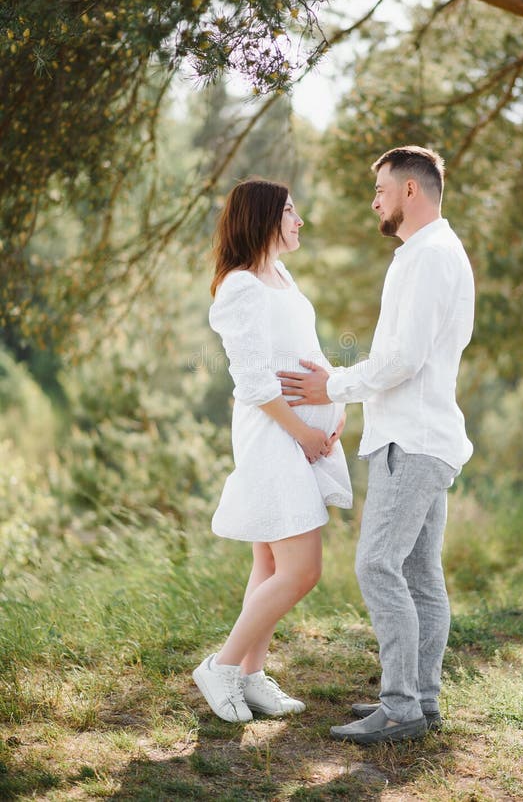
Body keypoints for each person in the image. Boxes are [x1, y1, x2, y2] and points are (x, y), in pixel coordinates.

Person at [278, 146, 475, 745]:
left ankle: (400, 707)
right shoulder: (432, 252)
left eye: (382, 190)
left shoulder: (430, 257)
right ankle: (420, 701)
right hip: (424, 436)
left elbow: (403, 359)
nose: (376, 201)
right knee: (419, 574)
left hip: (412, 441)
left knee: (377, 564)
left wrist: (332, 383)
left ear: (411, 191)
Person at [193, 178, 352, 724]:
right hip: (272, 438)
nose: (299, 220)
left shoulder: (281, 275)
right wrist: (305, 433)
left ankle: (251, 675)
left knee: (268, 560)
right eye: (289, 211)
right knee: (302, 570)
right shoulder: (240, 287)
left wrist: (336, 402)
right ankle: (222, 665)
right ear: (263, 218)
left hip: (306, 436)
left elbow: (307, 354)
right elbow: (255, 381)